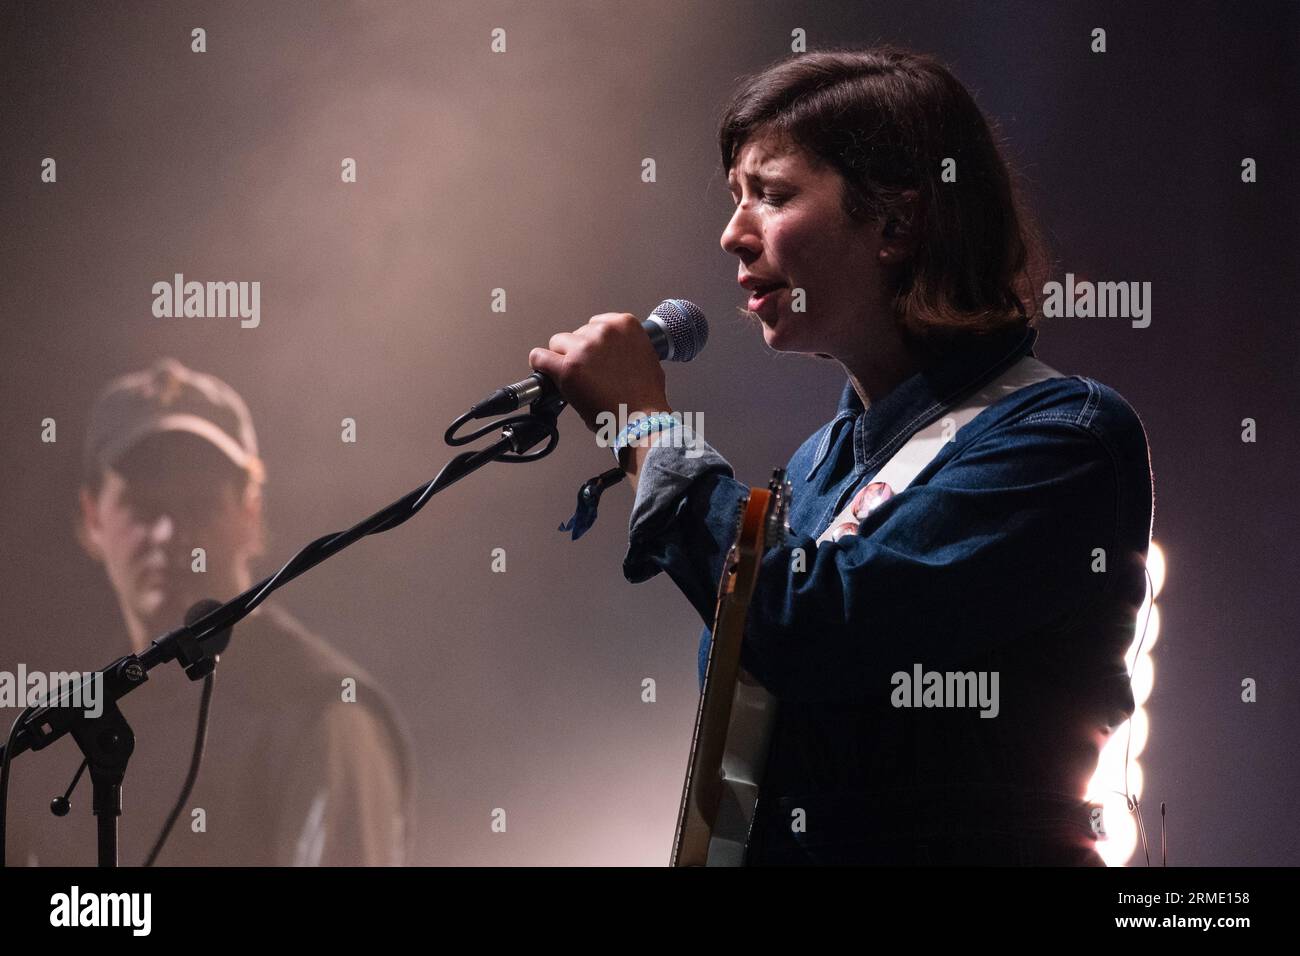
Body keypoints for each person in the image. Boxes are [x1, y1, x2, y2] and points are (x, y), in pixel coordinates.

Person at [528, 47, 1154, 865]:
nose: (732, 234)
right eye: (735, 197)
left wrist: (645, 429)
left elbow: (811, 630)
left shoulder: (1062, 435)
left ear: (899, 220)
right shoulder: (819, 463)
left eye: (772, 194)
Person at [4, 358, 411, 866]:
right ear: (91, 519)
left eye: (197, 504)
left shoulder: (325, 713)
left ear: (251, 512)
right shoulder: (54, 726)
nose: (169, 536)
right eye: (143, 506)